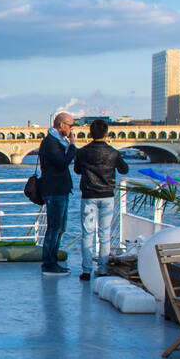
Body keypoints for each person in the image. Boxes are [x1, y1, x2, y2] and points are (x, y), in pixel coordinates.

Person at [72, 119, 129, 282]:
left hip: (89, 196)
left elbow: (76, 170)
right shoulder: (113, 152)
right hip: (107, 196)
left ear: (90, 133)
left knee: (87, 234)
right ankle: (103, 269)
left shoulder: (82, 152)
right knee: (105, 234)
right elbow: (124, 169)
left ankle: (86, 271)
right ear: (106, 133)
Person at [38, 111, 78, 276]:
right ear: (61, 124)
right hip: (54, 191)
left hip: (60, 190)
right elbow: (62, 163)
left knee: (60, 227)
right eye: (70, 126)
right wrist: (73, 147)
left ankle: (52, 260)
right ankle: (49, 263)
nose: (71, 130)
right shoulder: (51, 142)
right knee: (54, 228)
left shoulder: (58, 142)